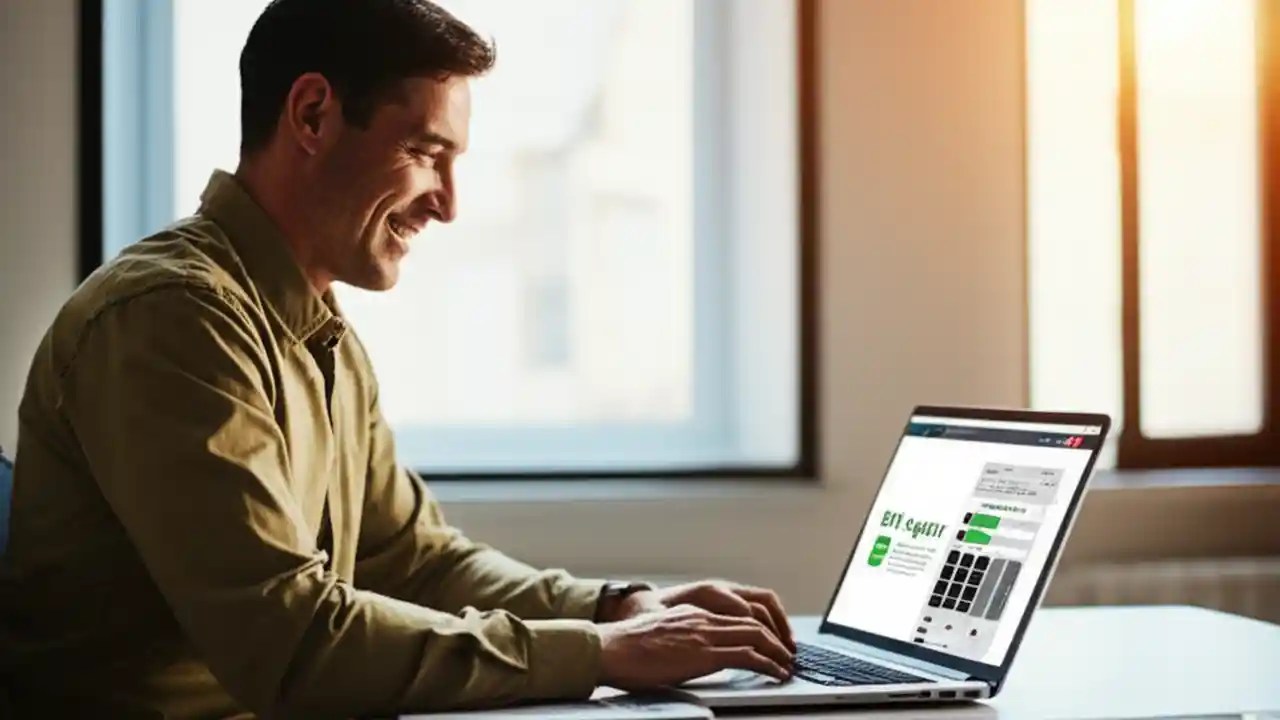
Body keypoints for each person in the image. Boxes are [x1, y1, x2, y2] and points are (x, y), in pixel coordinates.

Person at [0, 0, 797, 717]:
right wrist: (598, 657)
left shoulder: (316, 331)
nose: (449, 203)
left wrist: (615, 609)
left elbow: (413, 561)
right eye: (425, 152)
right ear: (312, 114)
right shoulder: (172, 320)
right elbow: (295, 644)